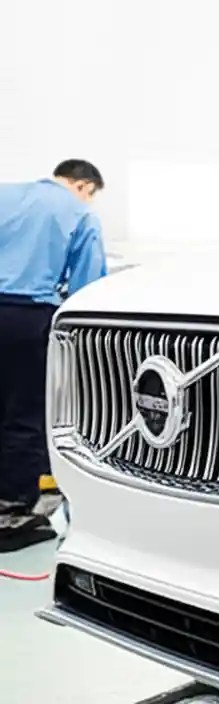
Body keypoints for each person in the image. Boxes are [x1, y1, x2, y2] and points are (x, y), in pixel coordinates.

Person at [0, 159, 108, 553]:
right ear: (84, 186)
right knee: (23, 416)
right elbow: (88, 289)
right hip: (26, 319)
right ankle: (11, 513)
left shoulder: (5, 194)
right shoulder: (79, 212)